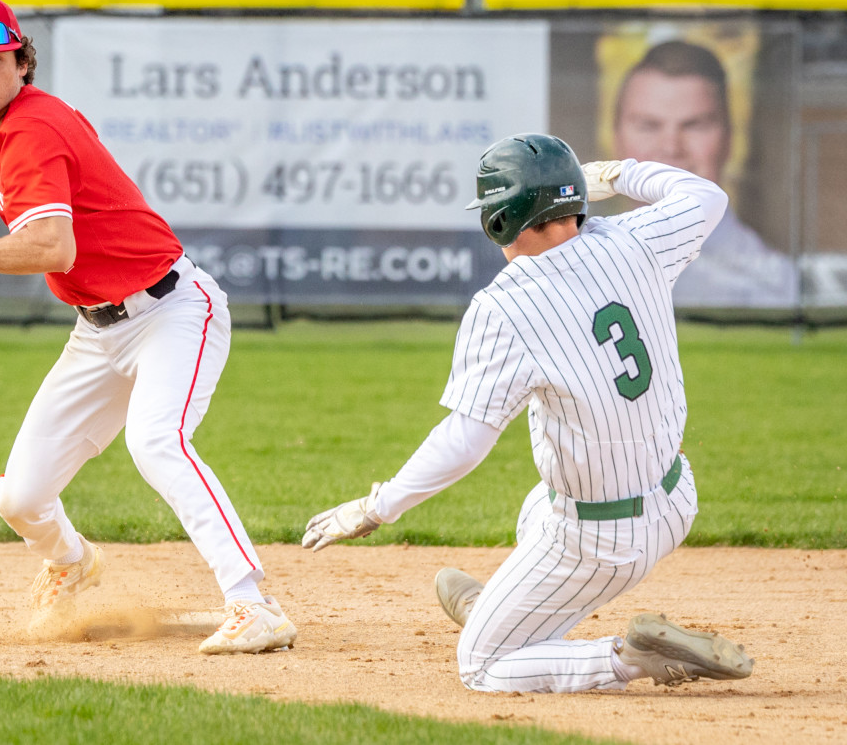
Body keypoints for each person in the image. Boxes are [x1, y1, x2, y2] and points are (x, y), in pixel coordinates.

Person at [0, 0, 295, 655]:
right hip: (98, 330)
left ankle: (254, 604)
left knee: (156, 442)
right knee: (21, 497)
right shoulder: (11, 122)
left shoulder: (31, 129)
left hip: (171, 310)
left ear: (22, 61)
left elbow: (55, 249)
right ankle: (72, 562)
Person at [301, 134, 755, 693]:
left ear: (500, 219)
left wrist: (378, 505)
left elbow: (465, 441)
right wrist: (617, 173)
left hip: (601, 541)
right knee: (537, 502)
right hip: (676, 497)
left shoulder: (505, 305)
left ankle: (629, 657)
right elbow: (706, 196)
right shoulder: (634, 239)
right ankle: (506, 608)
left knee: (482, 667)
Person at [611, 39, 798, 307]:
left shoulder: (776, 287)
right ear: (615, 136)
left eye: (694, 125)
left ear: (730, 138)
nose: (671, 148)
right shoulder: (568, 265)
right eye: (648, 125)